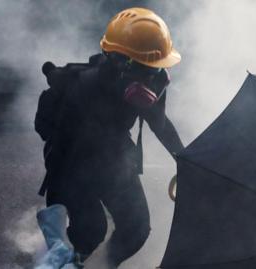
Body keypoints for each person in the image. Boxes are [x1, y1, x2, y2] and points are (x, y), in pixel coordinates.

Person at [34, 7, 184, 268]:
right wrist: (61, 195)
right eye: (144, 67)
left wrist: (183, 158)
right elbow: (54, 143)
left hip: (115, 155)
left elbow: (159, 123)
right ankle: (69, 258)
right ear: (117, 60)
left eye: (156, 67)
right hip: (73, 159)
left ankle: (101, 265)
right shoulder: (81, 87)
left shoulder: (153, 82)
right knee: (91, 231)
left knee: (136, 229)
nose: (152, 76)